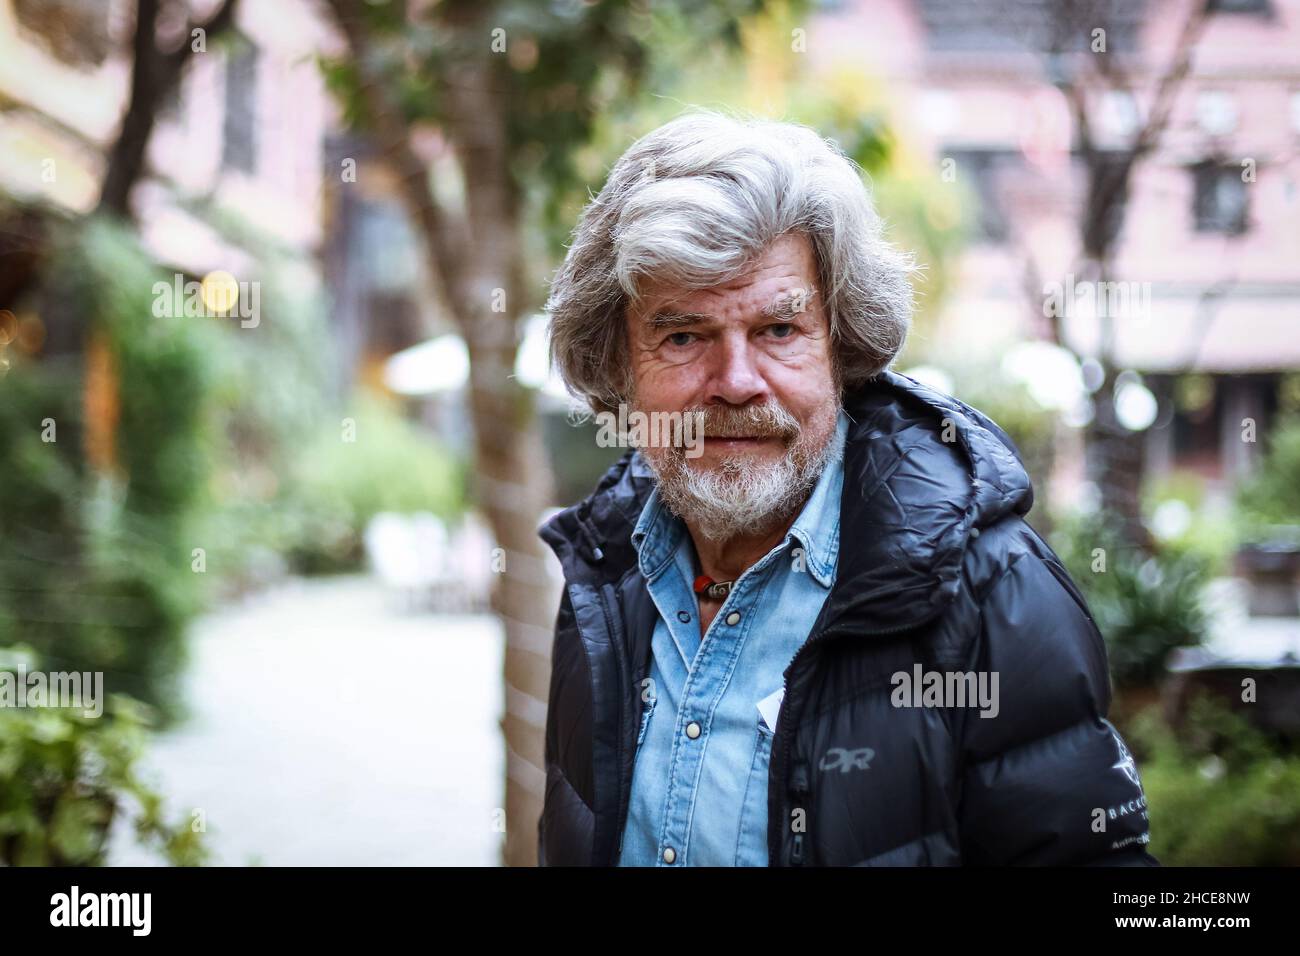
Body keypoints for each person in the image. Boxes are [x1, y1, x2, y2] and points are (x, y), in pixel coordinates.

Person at [536, 110, 1157, 867]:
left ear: (841, 344)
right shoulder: (603, 573)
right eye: (683, 336)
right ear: (619, 366)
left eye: (778, 330)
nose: (736, 383)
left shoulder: (989, 589)